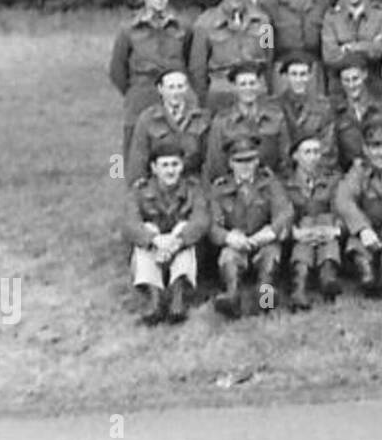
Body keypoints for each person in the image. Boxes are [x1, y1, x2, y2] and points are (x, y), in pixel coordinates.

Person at [109, 0, 190, 162]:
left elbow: (190, 63)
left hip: (174, 97)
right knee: (135, 154)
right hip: (141, 96)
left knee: (173, 151)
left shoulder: (182, 27)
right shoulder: (128, 30)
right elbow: (116, 70)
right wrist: (134, 91)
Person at [124, 140, 210, 326]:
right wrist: (155, 241)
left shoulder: (194, 190)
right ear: (154, 168)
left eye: (175, 165)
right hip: (154, 247)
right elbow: (130, 224)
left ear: (182, 166)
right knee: (146, 231)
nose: (170, 171)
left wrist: (176, 242)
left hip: (181, 247)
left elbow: (201, 221)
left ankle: (177, 299)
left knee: (184, 229)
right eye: (165, 165)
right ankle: (154, 300)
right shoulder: (140, 191)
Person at [208, 137, 293, 318]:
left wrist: (270, 232)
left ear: (257, 161)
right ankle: (233, 296)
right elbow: (212, 225)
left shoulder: (270, 183)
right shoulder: (220, 188)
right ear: (230, 163)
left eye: (250, 161)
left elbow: (284, 212)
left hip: (263, 241)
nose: (245, 166)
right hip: (236, 243)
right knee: (228, 259)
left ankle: (267, 302)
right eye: (239, 161)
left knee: (270, 259)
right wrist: (229, 237)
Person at [334, 118, 382, 293]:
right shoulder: (358, 171)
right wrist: (363, 229)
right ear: (366, 150)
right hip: (366, 230)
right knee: (355, 237)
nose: (381, 152)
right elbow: (343, 200)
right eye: (375, 146)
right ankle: (364, 270)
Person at [189, 0, 274, 113]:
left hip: (255, 87)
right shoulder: (204, 23)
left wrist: (267, 88)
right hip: (222, 89)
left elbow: (268, 57)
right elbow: (198, 68)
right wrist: (202, 100)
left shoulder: (263, 20)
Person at [283, 135, 342, 309]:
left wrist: (335, 230)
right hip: (296, 238)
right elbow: (282, 212)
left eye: (317, 152)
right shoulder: (285, 182)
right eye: (307, 152)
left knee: (324, 219)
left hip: (327, 233)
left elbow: (340, 208)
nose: (313, 157)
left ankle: (327, 276)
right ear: (295, 156)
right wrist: (295, 232)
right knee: (307, 223)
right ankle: (296, 287)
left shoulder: (333, 180)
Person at [205, 62, 292, 180]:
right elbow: (216, 163)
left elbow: (285, 157)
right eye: (243, 84)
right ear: (234, 87)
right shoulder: (222, 121)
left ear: (260, 85)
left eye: (252, 83)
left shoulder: (276, 116)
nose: (248, 88)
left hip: (270, 183)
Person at [127, 67, 212, 186]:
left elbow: (210, 158)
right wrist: (139, 182)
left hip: (193, 183)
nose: (176, 92)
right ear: (160, 89)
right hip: (159, 185)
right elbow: (138, 156)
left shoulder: (202, 119)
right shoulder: (148, 119)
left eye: (180, 86)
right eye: (171, 87)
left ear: (187, 88)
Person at [264, 0, 331, 96]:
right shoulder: (268, 3)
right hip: (282, 68)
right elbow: (265, 43)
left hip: (313, 68)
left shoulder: (321, 1)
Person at [321, 0, 382, 96]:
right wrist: (369, 46)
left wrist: (350, 47)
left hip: (375, 83)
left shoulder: (381, 13)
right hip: (341, 85)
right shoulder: (331, 17)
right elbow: (330, 56)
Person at [332, 53, 382, 171]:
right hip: (352, 173)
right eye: (346, 80)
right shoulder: (336, 111)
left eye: (355, 79)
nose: (351, 85)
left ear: (364, 75)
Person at [276, 51, 336, 168]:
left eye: (303, 74)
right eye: (294, 74)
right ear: (286, 76)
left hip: (317, 167)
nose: (299, 79)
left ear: (310, 76)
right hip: (285, 171)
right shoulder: (275, 106)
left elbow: (328, 145)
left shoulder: (323, 107)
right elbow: (278, 146)